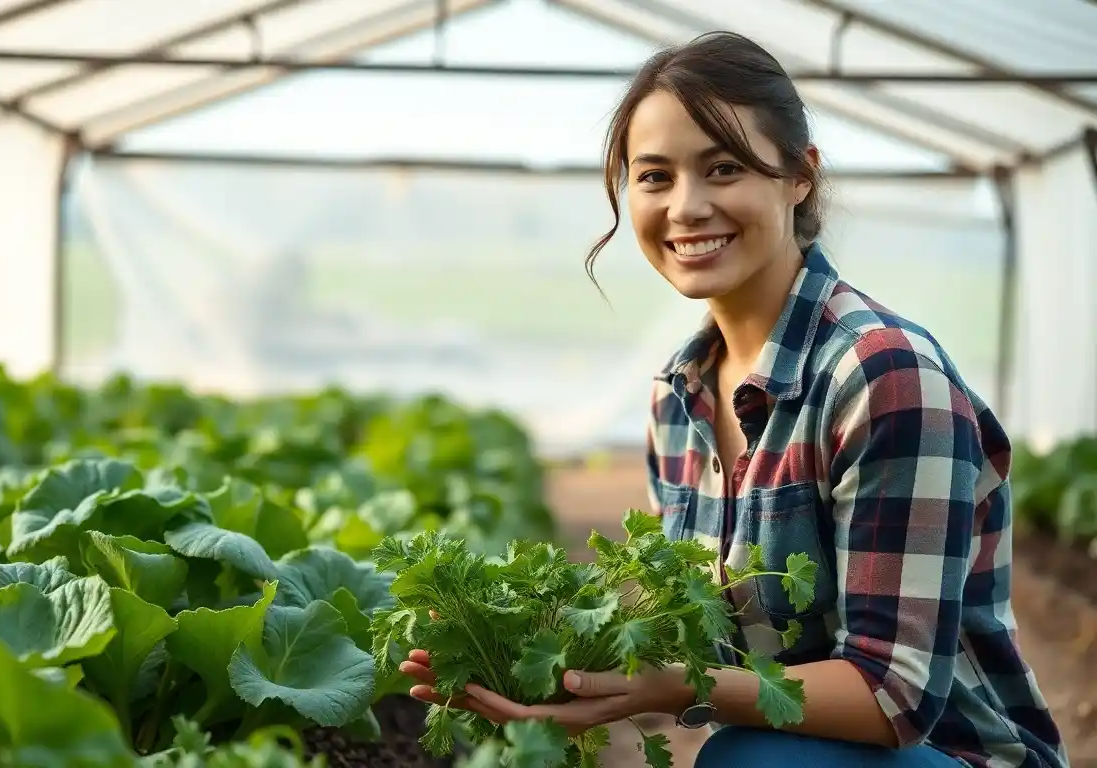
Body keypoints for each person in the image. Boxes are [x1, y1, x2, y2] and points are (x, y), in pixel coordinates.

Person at [397, 30, 1069, 768]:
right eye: (654, 177)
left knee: (741, 759)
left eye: (723, 168)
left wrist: (668, 689)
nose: (686, 207)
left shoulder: (884, 376)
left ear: (799, 177)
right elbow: (688, 634)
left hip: (953, 755)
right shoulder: (676, 395)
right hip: (797, 751)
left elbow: (894, 694)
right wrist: (524, 647)